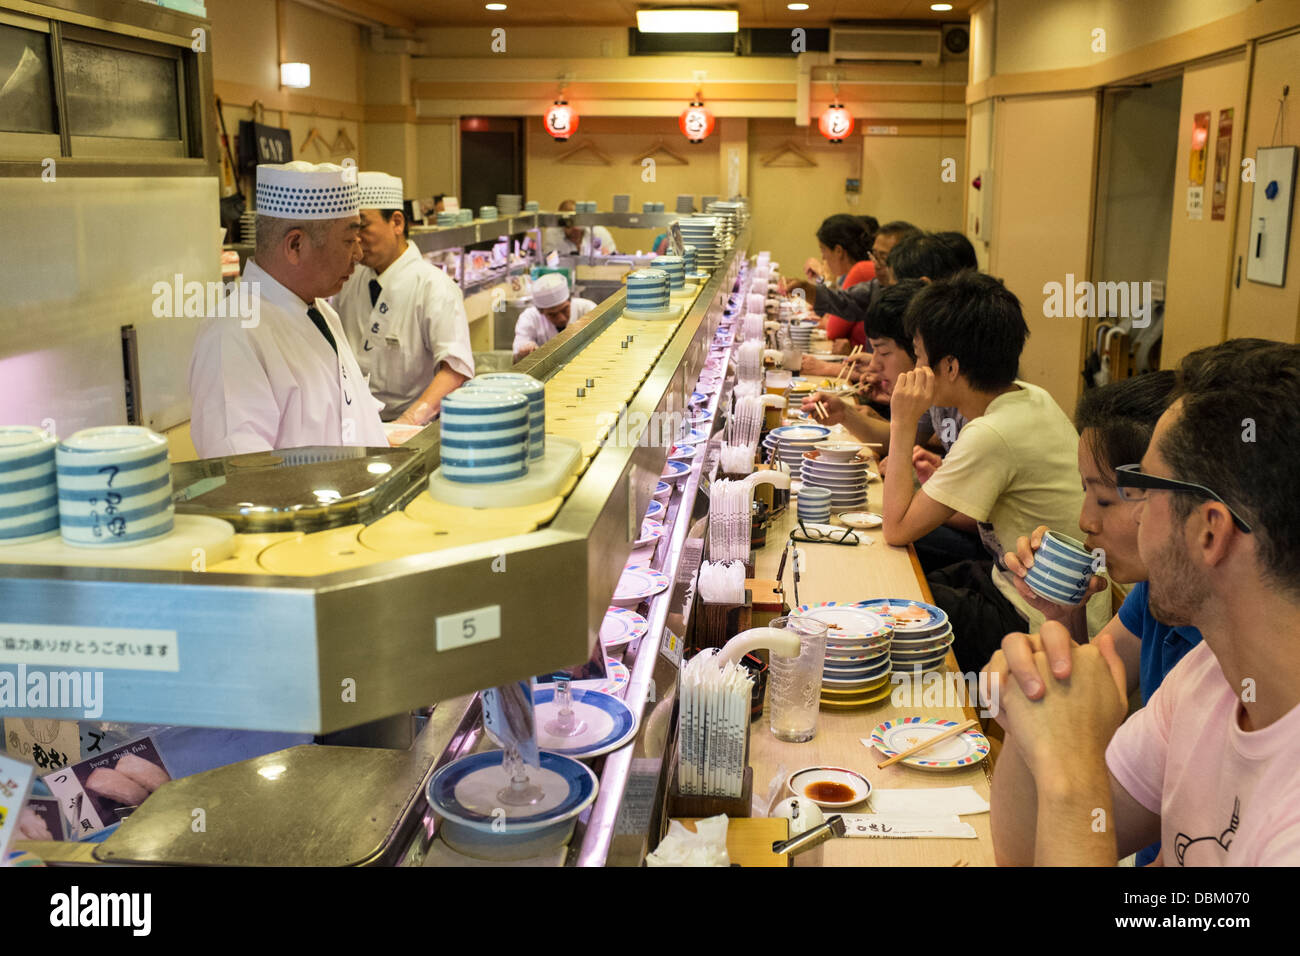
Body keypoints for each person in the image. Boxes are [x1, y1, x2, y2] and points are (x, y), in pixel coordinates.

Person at [986, 339, 1300, 866]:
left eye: (1144, 493)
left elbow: (1074, 814)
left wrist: (1070, 776)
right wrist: (1037, 697)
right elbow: (1029, 853)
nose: (1105, 522)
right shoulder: (1211, 677)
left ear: (1209, 532)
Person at [1000, 369, 1194, 867]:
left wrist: (1058, 748)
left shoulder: (1223, 668)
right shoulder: (1159, 599)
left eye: (1107, 498)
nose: (1086, 520)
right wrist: (1060, 619)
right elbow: (1085, 692)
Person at [880, 272, 1111, 669]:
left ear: (949, 366)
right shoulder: (1029, 397)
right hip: (1018, 582)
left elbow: (896, 527)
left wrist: (902, 424)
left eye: (919, 356)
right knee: (902, 579)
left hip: (1037, 617)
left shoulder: (991, 432)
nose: (915, 368)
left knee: (892, 612)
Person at [189, 161, 387, 457]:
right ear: (295, 245)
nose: (358, 255)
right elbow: (243, 472)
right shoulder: (233, 333)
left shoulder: (322, 312)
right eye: (348, 241)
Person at [333, 172, 474, 425]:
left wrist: (407, 421)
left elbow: (455, 370)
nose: (355, 238)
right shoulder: (348, 281)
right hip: (355, 421)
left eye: (362, 225)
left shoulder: (433, 286)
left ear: (396, 222)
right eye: (349, 228)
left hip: (414, 426)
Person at [512, 273, 597, 359]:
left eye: (565, 310)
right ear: (541, 311)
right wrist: (524, 352)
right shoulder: (529, 317)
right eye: (552, 314)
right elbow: (518, 353)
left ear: (570, 301)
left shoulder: (587, 309)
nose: (561, 318)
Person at [543, 199, 618, 256]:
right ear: (561, 225)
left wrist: (607, 256)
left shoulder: (599, 233)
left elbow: (615, 259)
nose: (575, 228)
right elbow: (548, 262)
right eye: (569, 225)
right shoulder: (553, 235)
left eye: (577, 223)